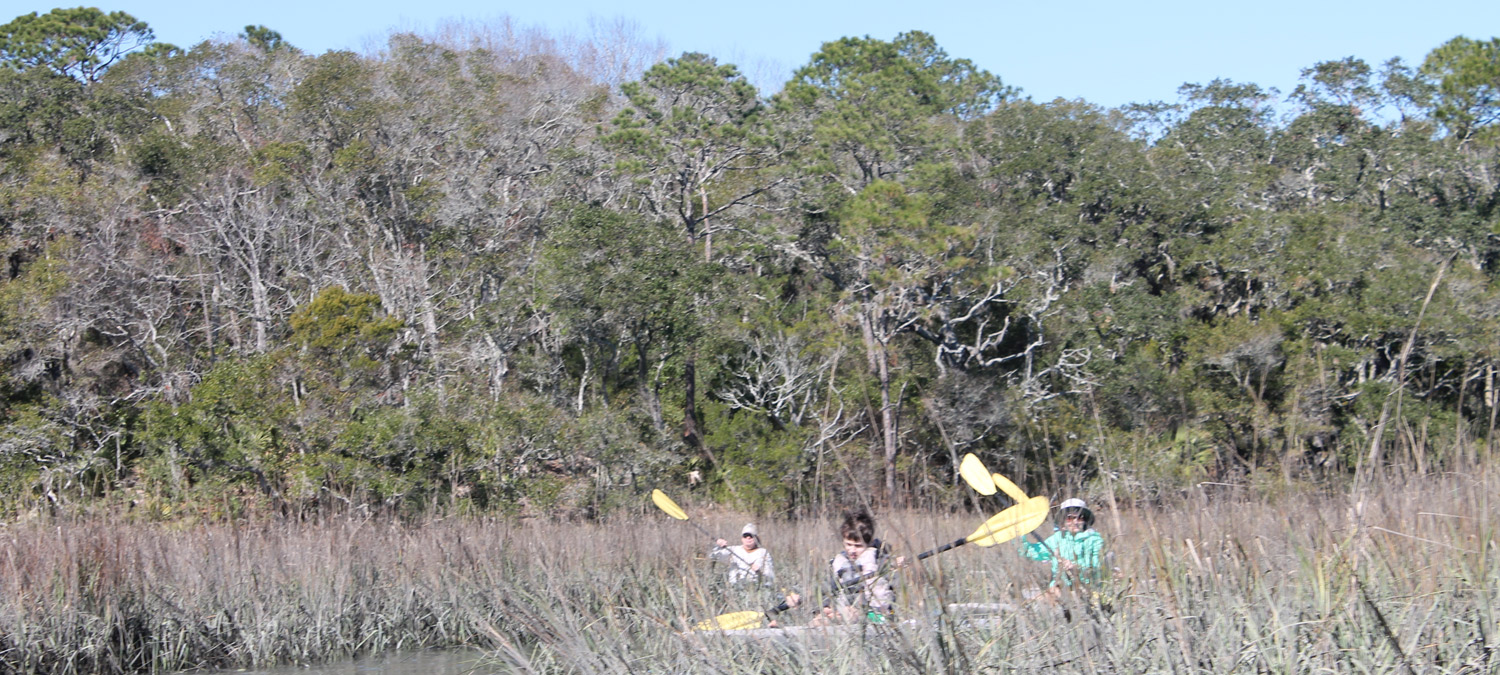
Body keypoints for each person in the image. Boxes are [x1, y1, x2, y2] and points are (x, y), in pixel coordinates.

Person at [791, 509, 902, 625]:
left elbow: (897, 584)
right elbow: (827, 587)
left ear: (869, 543)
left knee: (846, 614)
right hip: (846, 613)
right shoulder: (839, 563)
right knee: (822, 616)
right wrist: (823, 606)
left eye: (858, 546)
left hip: (878, 617)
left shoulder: (881, 559)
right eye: (848, 544)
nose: (852, 550)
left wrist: (898, 568)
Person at [1020, 498, 1104, 597]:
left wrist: (1075, 567)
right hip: (1059, 590)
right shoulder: (1057, 538)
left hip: (1086, 590)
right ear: (1064, 520)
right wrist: (1020, 533)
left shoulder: (1094, 540)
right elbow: (1031, 552)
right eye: (1070, 518)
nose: (1075, 522)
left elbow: (1096, 566)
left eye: (1080, 517)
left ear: (1085, 520)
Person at [710, 522, 774, 587]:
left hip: (756, 589)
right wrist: (718, 546)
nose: (748, 538)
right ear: (742, 538)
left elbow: (770, 576)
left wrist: (760, 571)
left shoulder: (764, 553)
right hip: (735, 588)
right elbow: (714, 556)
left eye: (751, 536)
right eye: (745, 536)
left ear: (756, 538)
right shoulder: (733, 550)